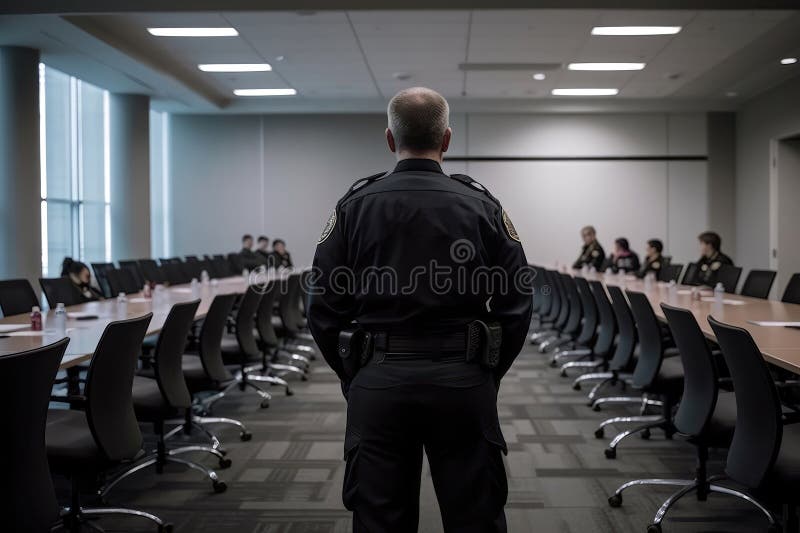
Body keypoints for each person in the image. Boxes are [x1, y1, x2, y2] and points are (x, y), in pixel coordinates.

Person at [308, 87, 531, 533]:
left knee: (380, 520)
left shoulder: (354, 206)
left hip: (380, 380)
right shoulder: (483, 205)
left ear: (390, 139)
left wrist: (355, 374)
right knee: (476, 519)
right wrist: (488, 371)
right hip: (463, 380)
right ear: (447, 139)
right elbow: (517, 303)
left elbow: (323, 307)